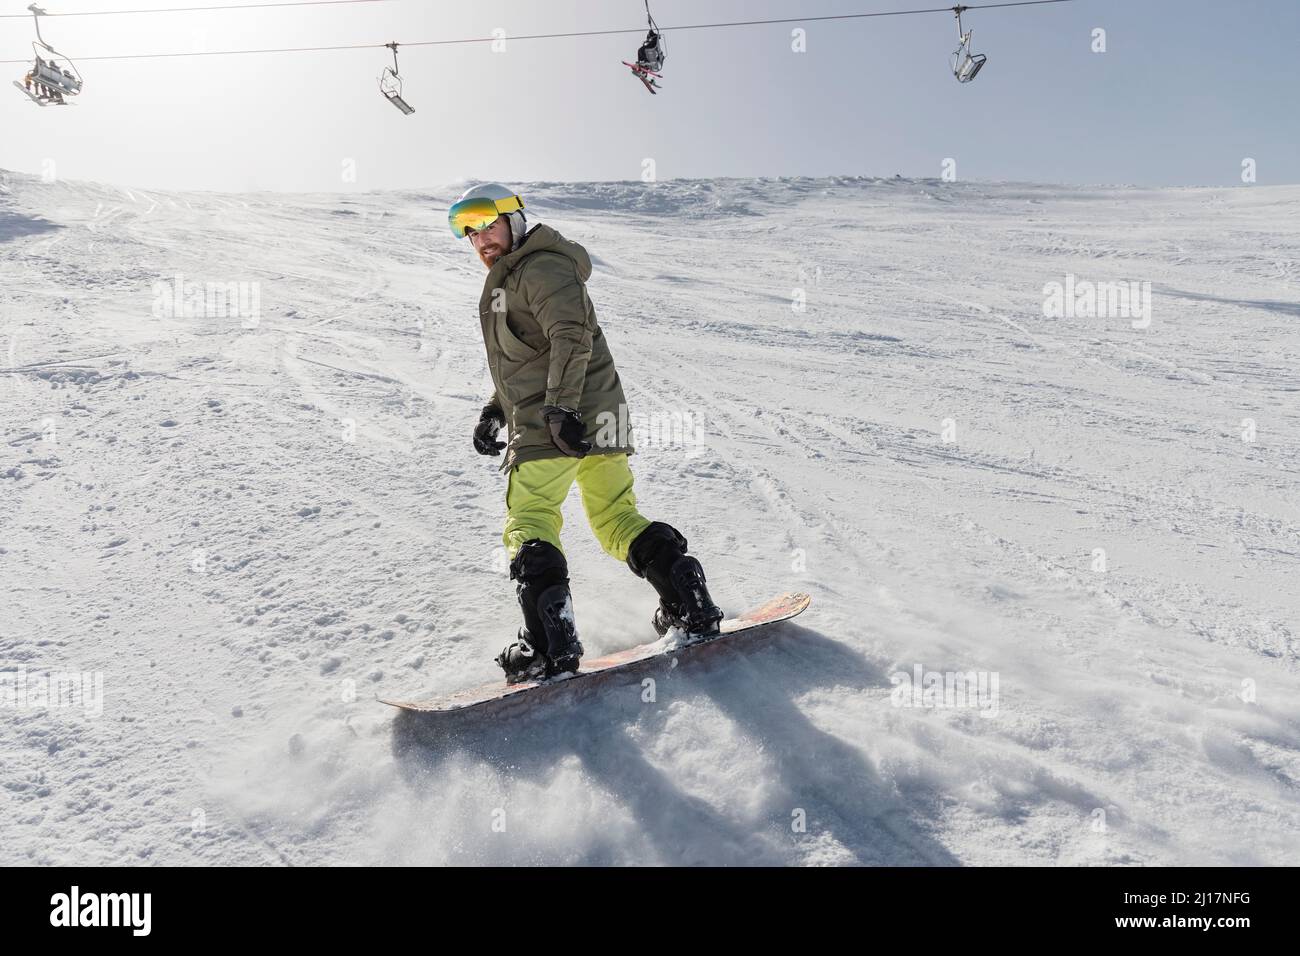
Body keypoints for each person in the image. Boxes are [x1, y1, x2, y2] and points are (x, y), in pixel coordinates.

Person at [448, 183, 723, 683]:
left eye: (487, 222)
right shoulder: (521, 275)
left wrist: (557, 410)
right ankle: (688, 599)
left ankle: (549, 645)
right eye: (467, 231)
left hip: (557, 419)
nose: (479, 238)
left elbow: (570, 337)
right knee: (616, 518)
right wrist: (495, 411)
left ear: (516, 218)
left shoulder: (541, 266)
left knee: (529, 518)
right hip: (595, 417)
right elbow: (524, 361)